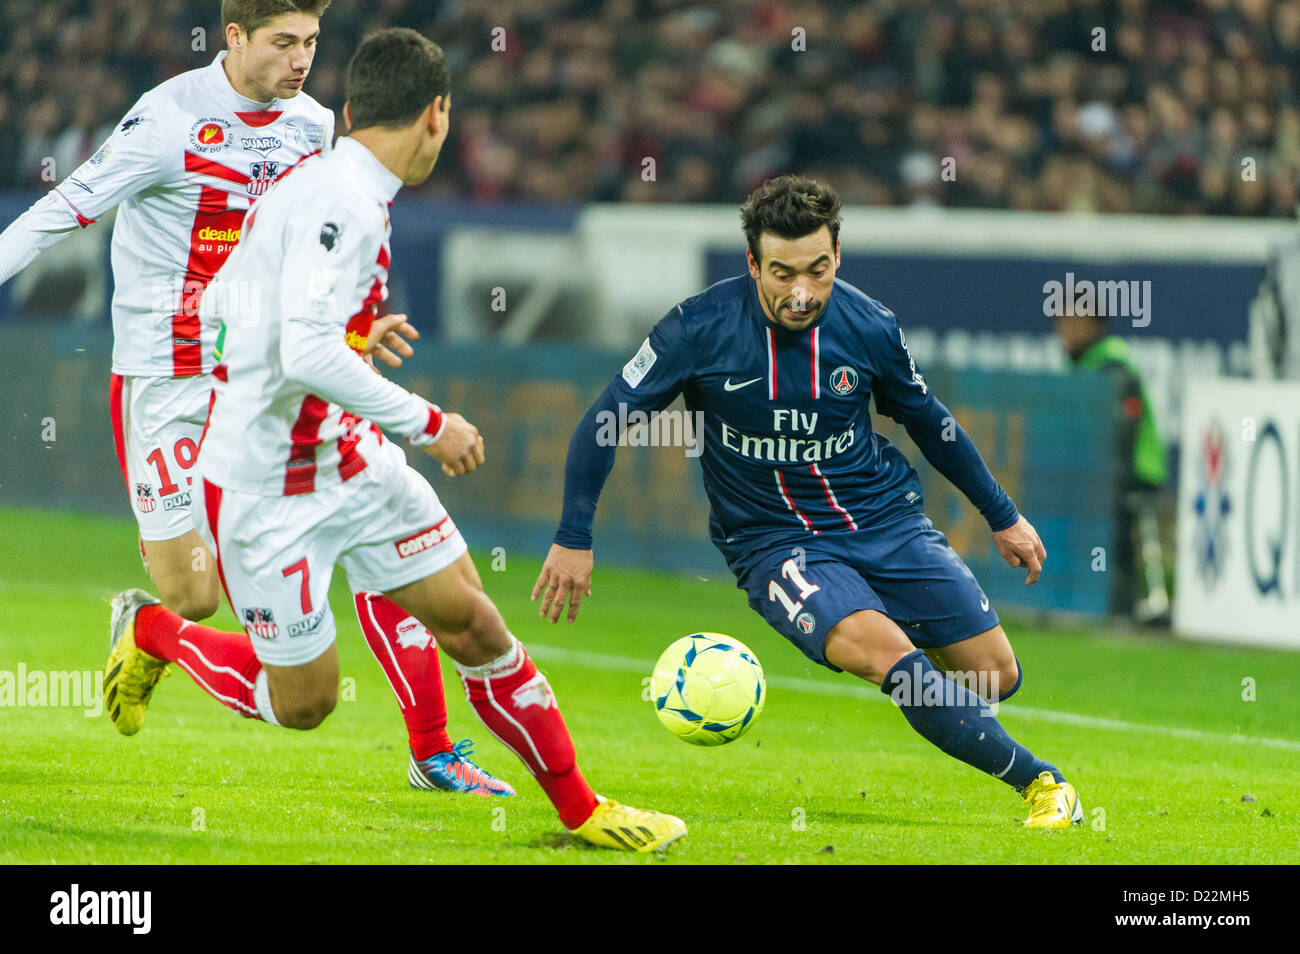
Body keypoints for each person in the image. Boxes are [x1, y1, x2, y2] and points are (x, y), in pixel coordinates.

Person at [105, 27, 686, 852]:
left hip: (352, 463)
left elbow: (230, 305)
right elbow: (296, 346)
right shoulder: (342, 199)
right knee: (303, 703)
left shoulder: (333, 185)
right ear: (438, 116)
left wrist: (346, 338)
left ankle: (583, 810)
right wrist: (429, 422)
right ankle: (156, 633)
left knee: (474, 625)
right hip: (267, 489)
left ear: (349, 109)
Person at [0, 0, 510, 795]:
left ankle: (433, 748)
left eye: (311, 42)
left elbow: (318, 246)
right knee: (192, 593)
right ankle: (152, 626)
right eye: (283, 42)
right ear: (233, 38)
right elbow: (64, 208)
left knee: (369, 526)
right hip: (166, 376)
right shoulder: (168, 121)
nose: (302, 59)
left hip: (268, 377)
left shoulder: (312, 126)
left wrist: (352, 330)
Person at [534, 175, 1083, 828]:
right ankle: (1043, 784)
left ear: (838, 257)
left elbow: (931, 423)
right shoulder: (696, 329)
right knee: (896, 665)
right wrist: (574, 535)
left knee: (994, 677)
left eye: (818, 270)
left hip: (884, 520)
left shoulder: (870, 327)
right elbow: (605, 421)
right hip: (774, 542)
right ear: (752, 265)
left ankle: (883, 627)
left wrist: (1003, 516)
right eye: (783, 272)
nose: (801, 292)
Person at [1054, 304, 1169, 621]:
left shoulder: (1113, 363)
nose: (1062, 331)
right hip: (1104, 471)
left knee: (1115, 535)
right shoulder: (1084, 363)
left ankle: (1121, 609)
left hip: (1134, 468)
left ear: (1091, 325)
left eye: (1069, 322)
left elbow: (1121, 425)